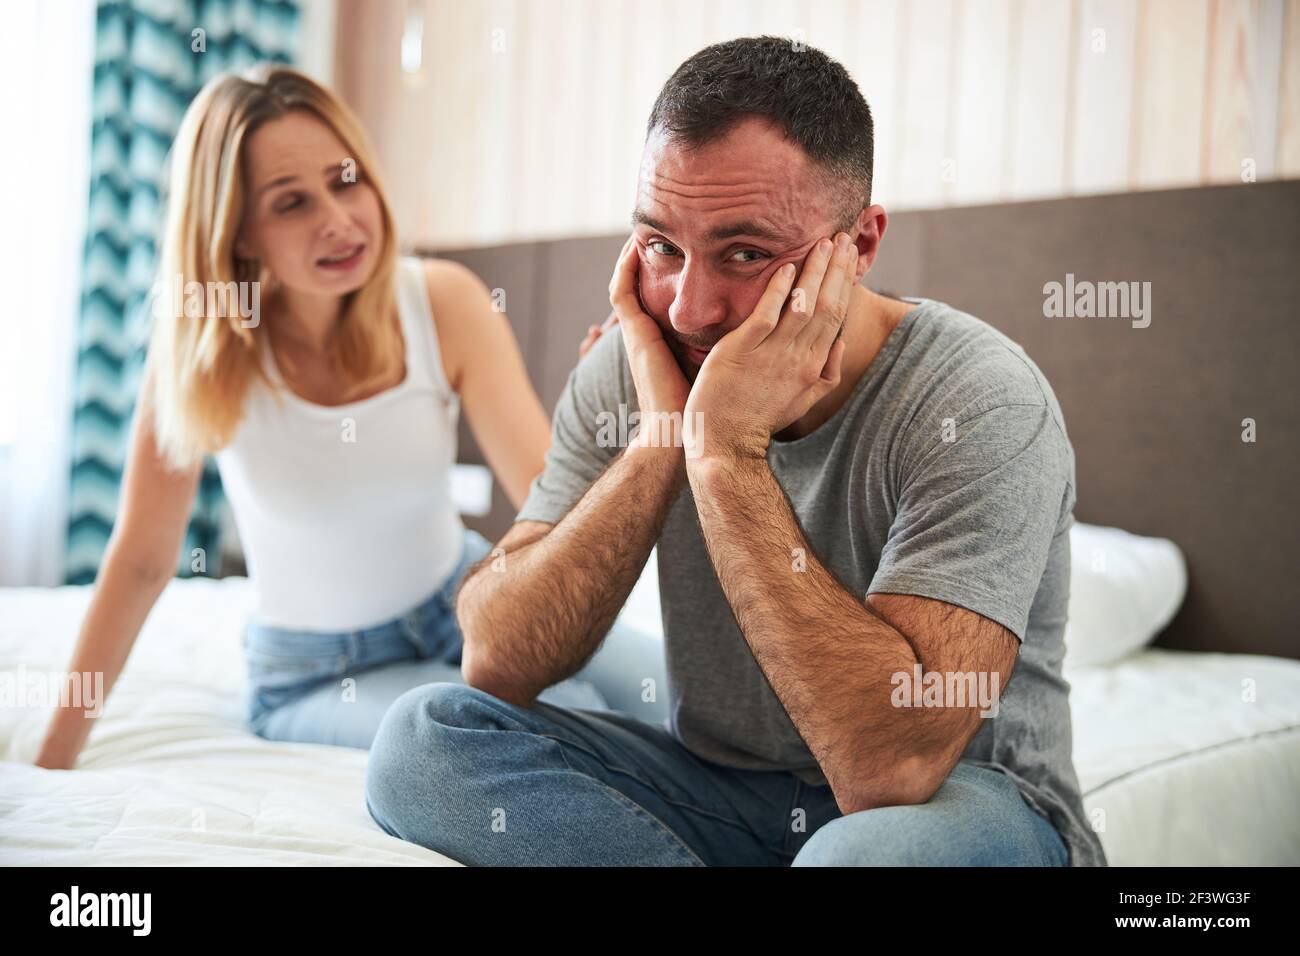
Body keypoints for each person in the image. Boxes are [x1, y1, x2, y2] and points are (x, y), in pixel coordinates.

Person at [365, 37, 1107, 867]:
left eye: (745, 254)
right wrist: (661, 443)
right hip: (724, 793)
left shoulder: (978, 399)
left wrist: (724, 458)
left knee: (861, 854)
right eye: (660, 246)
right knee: (423, 745)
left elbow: (889, 768)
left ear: (858, 245)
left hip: (958, 806)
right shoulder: (643, 361)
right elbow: (496, 661)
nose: (687, 308)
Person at [35, 65, 662, 767]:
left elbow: (549, 502)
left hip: (465, 598)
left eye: (344, 180)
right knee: (572, 727)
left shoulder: (442, 302)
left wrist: (614, 425)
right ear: (238, 233)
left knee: (674, 703)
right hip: (320, 676)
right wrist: (55, 754)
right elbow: (143, 563)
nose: (337, 221)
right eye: (291, 204)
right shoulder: (202, 355)